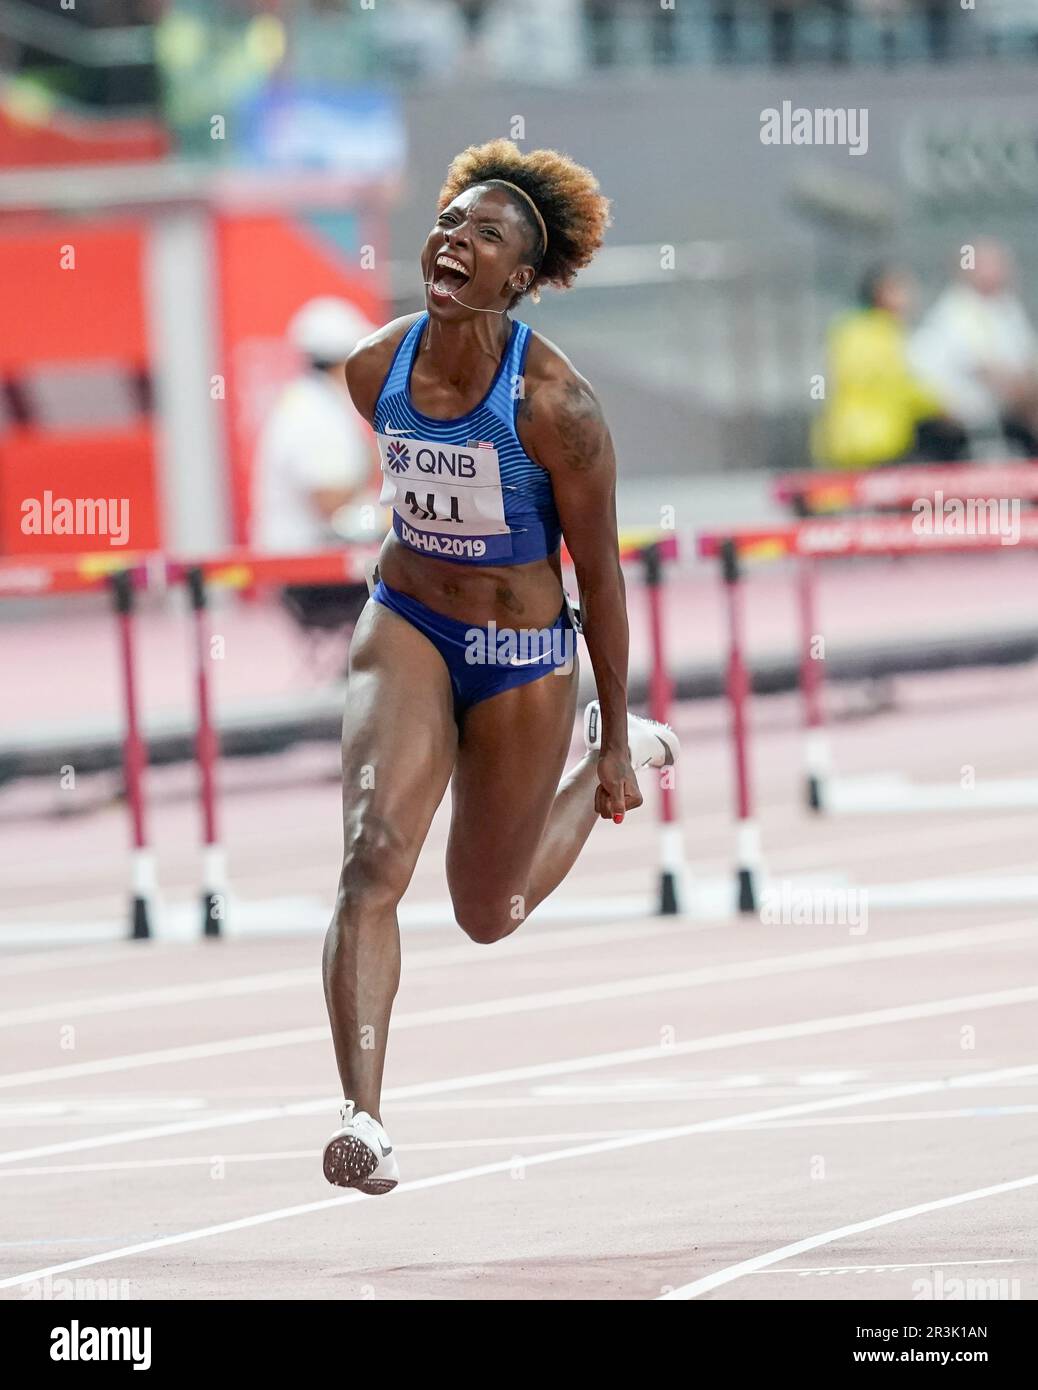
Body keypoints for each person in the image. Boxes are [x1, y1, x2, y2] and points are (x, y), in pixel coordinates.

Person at [320, 139, 680, 1195]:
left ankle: (632, 757)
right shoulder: (373, 368)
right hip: (410, 626)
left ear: (520, 278)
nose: (455, 242)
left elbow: (602, 580)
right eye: (449, 224)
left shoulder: (556, 409)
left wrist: (611, 733)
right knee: (371, 858)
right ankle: (364, 1117)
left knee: (489, 911)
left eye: (486, 235)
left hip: (525, 654)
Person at [252, 296, 380, 631]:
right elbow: (330, 502)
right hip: (311, 574)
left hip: (313, 560)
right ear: (343, 361)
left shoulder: (317, 403)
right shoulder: (312, 413)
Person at [811, 264, 966, 472]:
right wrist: (939, 406)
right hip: (876, 438)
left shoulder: (850, 329)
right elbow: (899, 382)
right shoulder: (882, 332)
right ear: (881, 293)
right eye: (901, 289)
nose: (910, 297)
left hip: (844, 437)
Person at [909, 238, 1038, 456]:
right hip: (960, 430)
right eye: (989, 264)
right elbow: (988, 371)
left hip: (1003, 421)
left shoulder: (1006, 308)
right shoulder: (956, 312)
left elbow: (1027, 360)